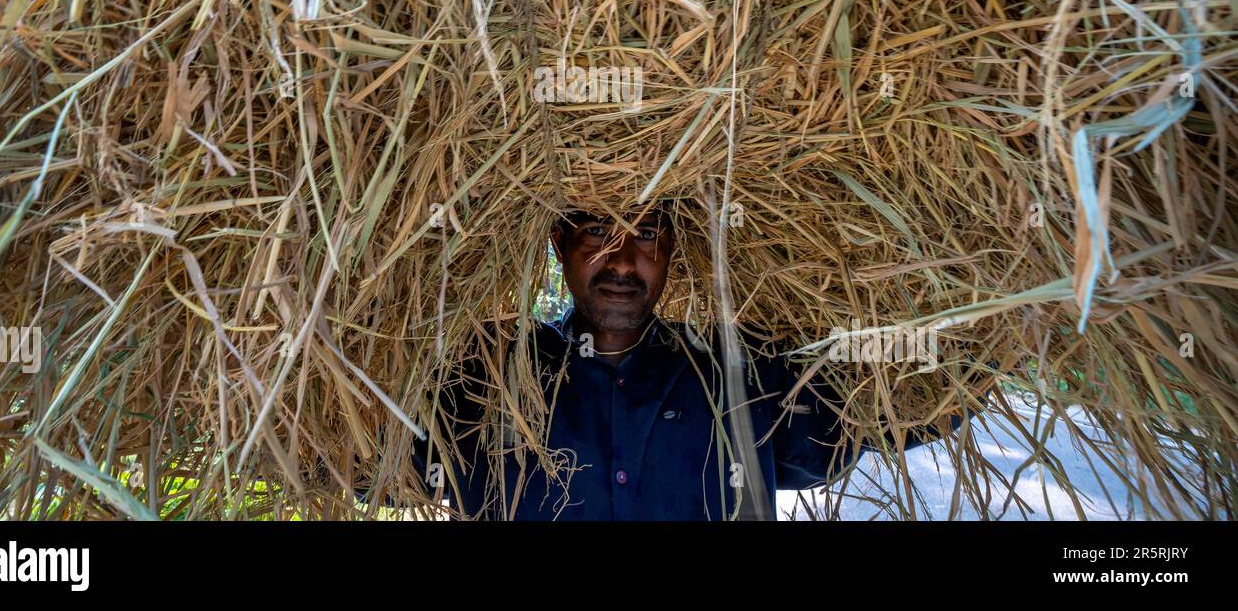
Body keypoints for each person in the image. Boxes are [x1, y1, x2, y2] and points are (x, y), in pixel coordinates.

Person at [408, 205, 981, 520]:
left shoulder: (745, 372)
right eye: (599, 232)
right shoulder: (489, 375)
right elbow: (359, 446)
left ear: (674, 249)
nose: (623, 261)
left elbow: (901, 406)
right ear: (560, 243)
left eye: (647, 234)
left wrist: (993, 336)